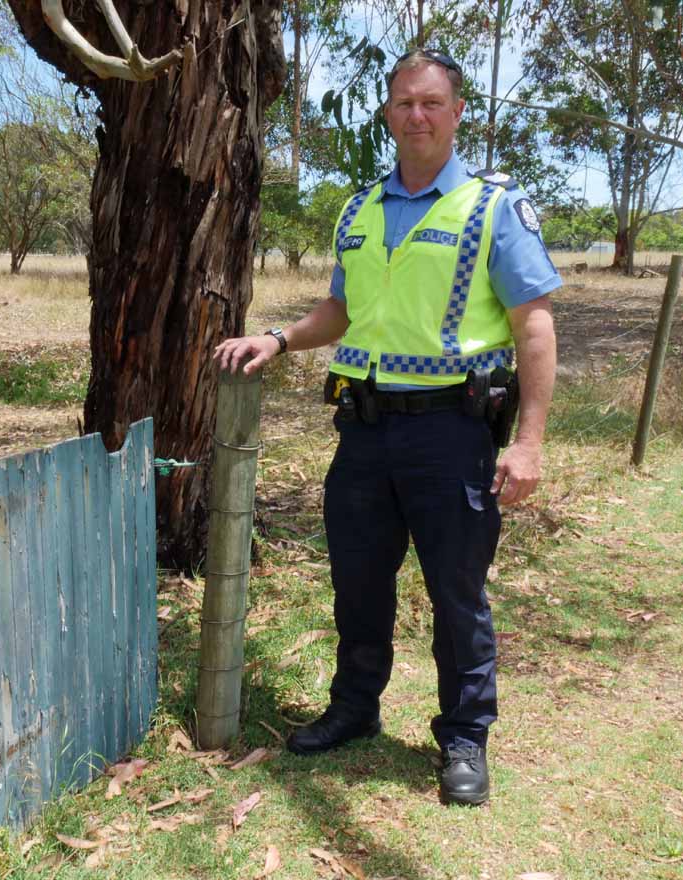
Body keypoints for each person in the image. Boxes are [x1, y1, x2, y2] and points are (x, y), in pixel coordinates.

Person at [213, 48, 559, 806]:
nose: (417, 115)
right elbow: (342, 312)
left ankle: (465, 738)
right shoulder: (360, 209)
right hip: (364, 432)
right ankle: (354, 708)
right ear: (387, 113)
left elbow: (534, 325)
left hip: (452, 434)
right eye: (404, 102)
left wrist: (530, 442)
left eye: (432, 102)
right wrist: (276, 339)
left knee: (456, 592)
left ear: (458, 112)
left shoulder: (493, 208)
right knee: (357, 584)